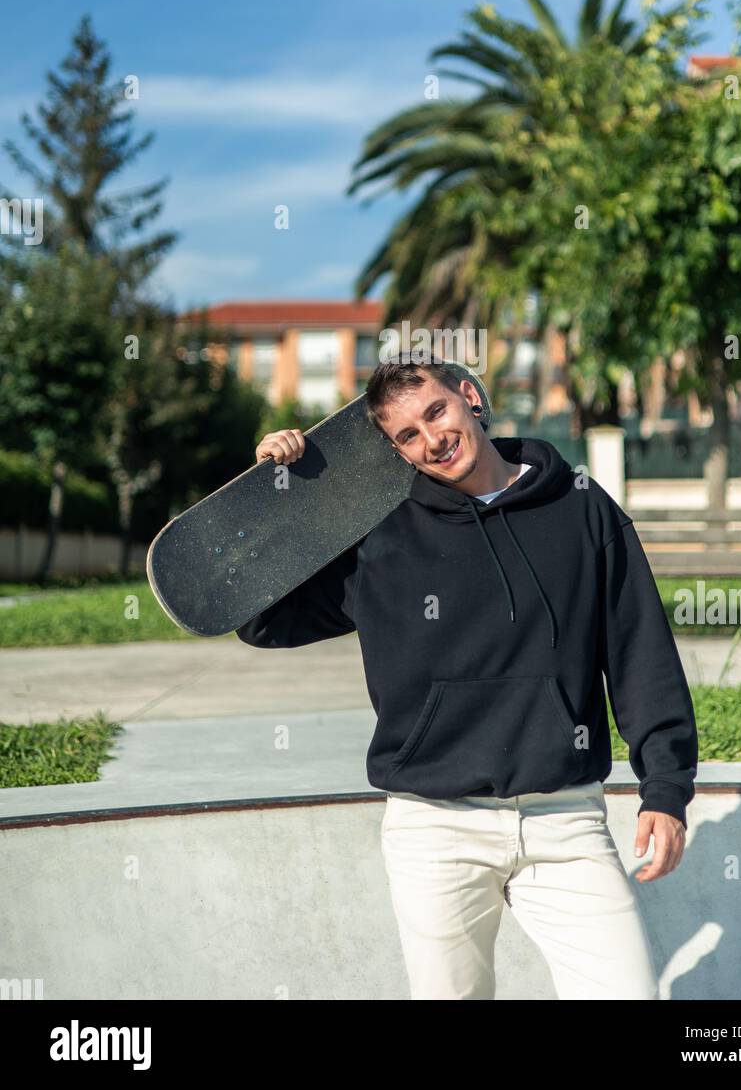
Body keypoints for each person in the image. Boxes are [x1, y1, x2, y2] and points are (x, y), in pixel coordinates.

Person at [236, 356, 699, 1000]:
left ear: (468, 396)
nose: (432, 440)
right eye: (406, 435)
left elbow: (639, 652)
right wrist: (276, 499)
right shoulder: (379, 537)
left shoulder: (581, 507)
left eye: (436, 412)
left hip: (563, 818)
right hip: (435, 827)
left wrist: (666, 786)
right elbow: (259, 620)